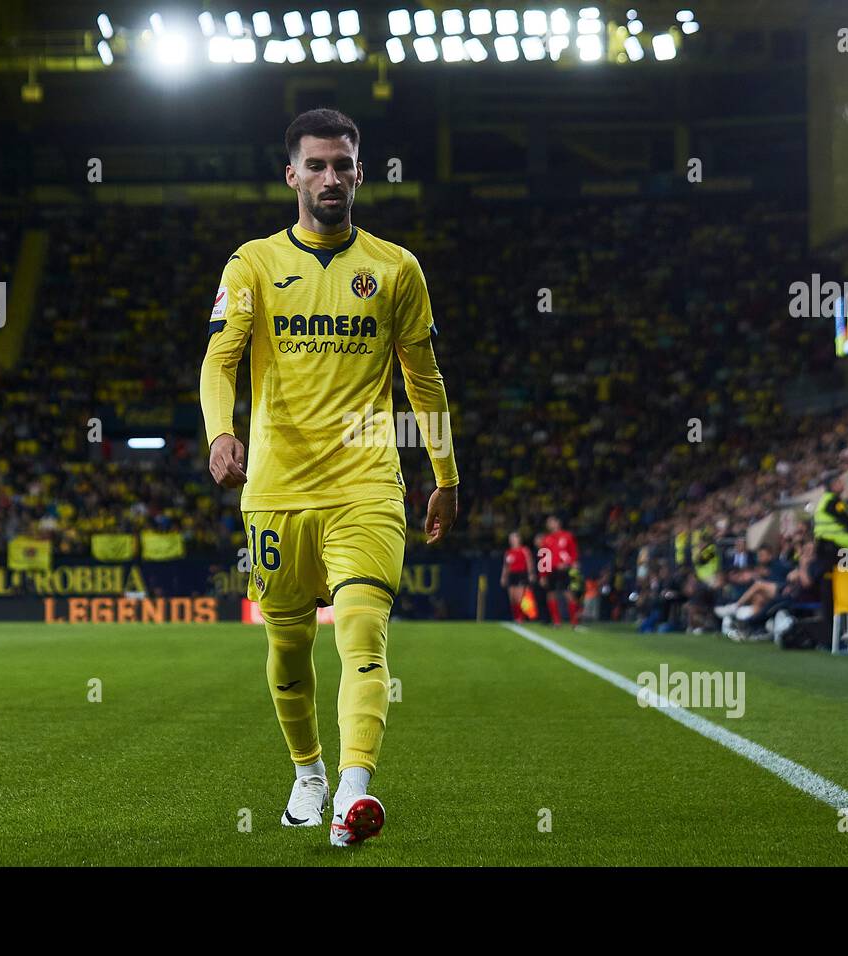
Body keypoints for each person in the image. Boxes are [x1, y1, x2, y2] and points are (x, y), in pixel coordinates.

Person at [200, 109, 459, 848]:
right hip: (276, 490)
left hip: (366, 484)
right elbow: (220, 361)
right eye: (316, 165)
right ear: (292, 175)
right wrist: (221, 431)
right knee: (288, 647)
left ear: (360, 173)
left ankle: (352, 790)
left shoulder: (397, 268)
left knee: (362, 629)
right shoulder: (251, 264)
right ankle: (308, 773)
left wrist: (445, 474)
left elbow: (424, 379)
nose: (330, 177)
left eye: (343, 164)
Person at [540, 514, 580, 628]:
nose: (549, 524)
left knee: (569, 594)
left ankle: (574, 622)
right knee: (550, 595)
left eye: (551, 522)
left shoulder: (567, 536)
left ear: (558, 523)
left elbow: (574, 553)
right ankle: (557, 622)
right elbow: (543, 557)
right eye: (548, 523)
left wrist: (568, 564)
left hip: (564, 570)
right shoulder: (546, 539)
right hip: (550, 571)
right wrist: (542, 575)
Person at [500, 531, 534, 623]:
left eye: (514, 538)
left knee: (519, 598)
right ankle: (515, 617)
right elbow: (506, 566)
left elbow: (529, 562)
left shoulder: (524, 550)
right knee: (512, 598)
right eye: (511, 539)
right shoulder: (508, 552)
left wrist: (530, 574)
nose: (512, 540)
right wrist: (503, 577)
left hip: (521, 574)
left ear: (519, 539)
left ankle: (521, 618)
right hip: (511, 575)